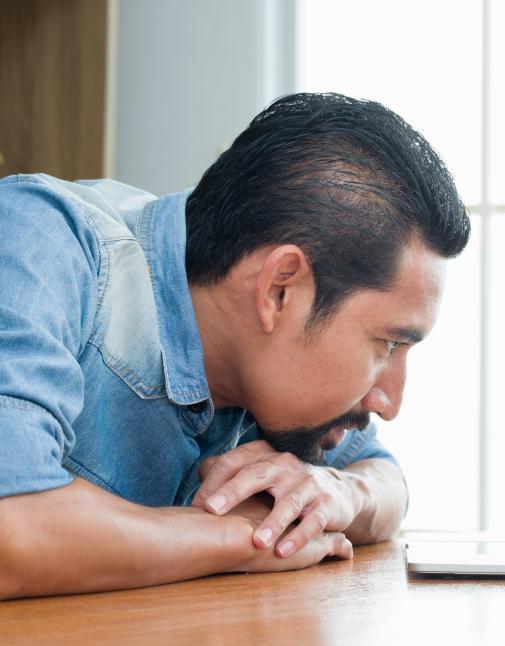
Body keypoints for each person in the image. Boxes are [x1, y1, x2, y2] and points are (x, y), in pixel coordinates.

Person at [0, 93, 470, 599]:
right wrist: (238, 537)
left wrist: (339, 492)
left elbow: (386, 480)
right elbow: (10, 529)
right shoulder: (40, 240)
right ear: (279, 289)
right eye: (388, 344)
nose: (389, 402)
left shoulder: (276, 383)